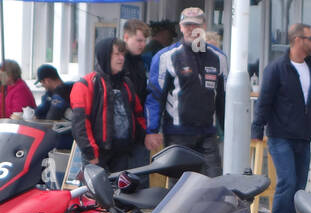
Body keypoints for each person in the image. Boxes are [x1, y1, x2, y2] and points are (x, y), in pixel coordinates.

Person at [251, 23, 311, 213]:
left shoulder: (310, 69)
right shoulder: (277, 68)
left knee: (298, 186)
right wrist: (257, 128)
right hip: (280, 136)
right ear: (297, 40)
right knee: (286, 182)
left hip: (302, 137)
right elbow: (265, 100)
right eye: (310, 38)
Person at [147, 7, 228, 176]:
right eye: (187, 25)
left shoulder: (219, 57)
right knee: (180, 189)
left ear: (204, 26)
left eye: (196, 25)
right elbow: (154, 96)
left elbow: (223, 99)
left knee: (213, 185)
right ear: (181, 27)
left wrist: (229, 130)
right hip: (177, 134)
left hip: (208, 134)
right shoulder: (165, 57)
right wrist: (151, 130)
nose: (192, 29)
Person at [69, 38, 146, 174]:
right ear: (105, 55)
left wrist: (145, 136)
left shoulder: (126, 83)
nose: (121, 58)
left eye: (123, 54)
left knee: (121, 195)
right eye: (116, 54)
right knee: (95, 195)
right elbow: (79, 123)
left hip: (123, 155)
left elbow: (138, 114)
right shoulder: (86, 84)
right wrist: (91, 154)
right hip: (97, 156)